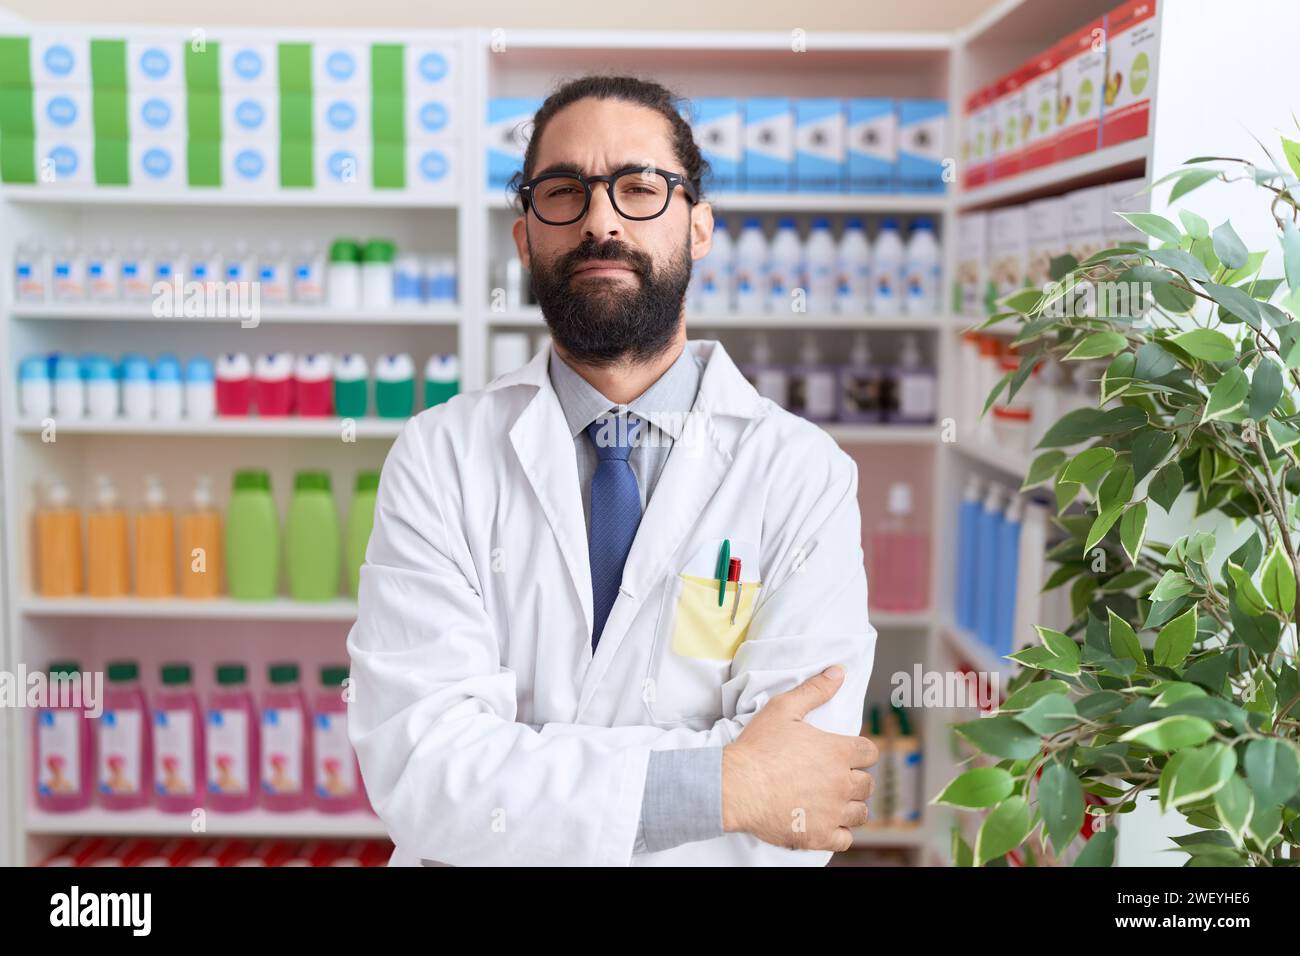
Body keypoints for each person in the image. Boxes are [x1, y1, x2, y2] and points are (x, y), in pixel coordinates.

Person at [347, 75, 879, 866]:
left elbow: (800, 799)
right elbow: (427, 776)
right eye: (563, 192)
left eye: (639, 187)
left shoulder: (802, 474)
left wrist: (527, 781)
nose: (600, 220)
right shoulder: (439, 456)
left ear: (699, 226)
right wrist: (724, 786)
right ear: (525, 237)